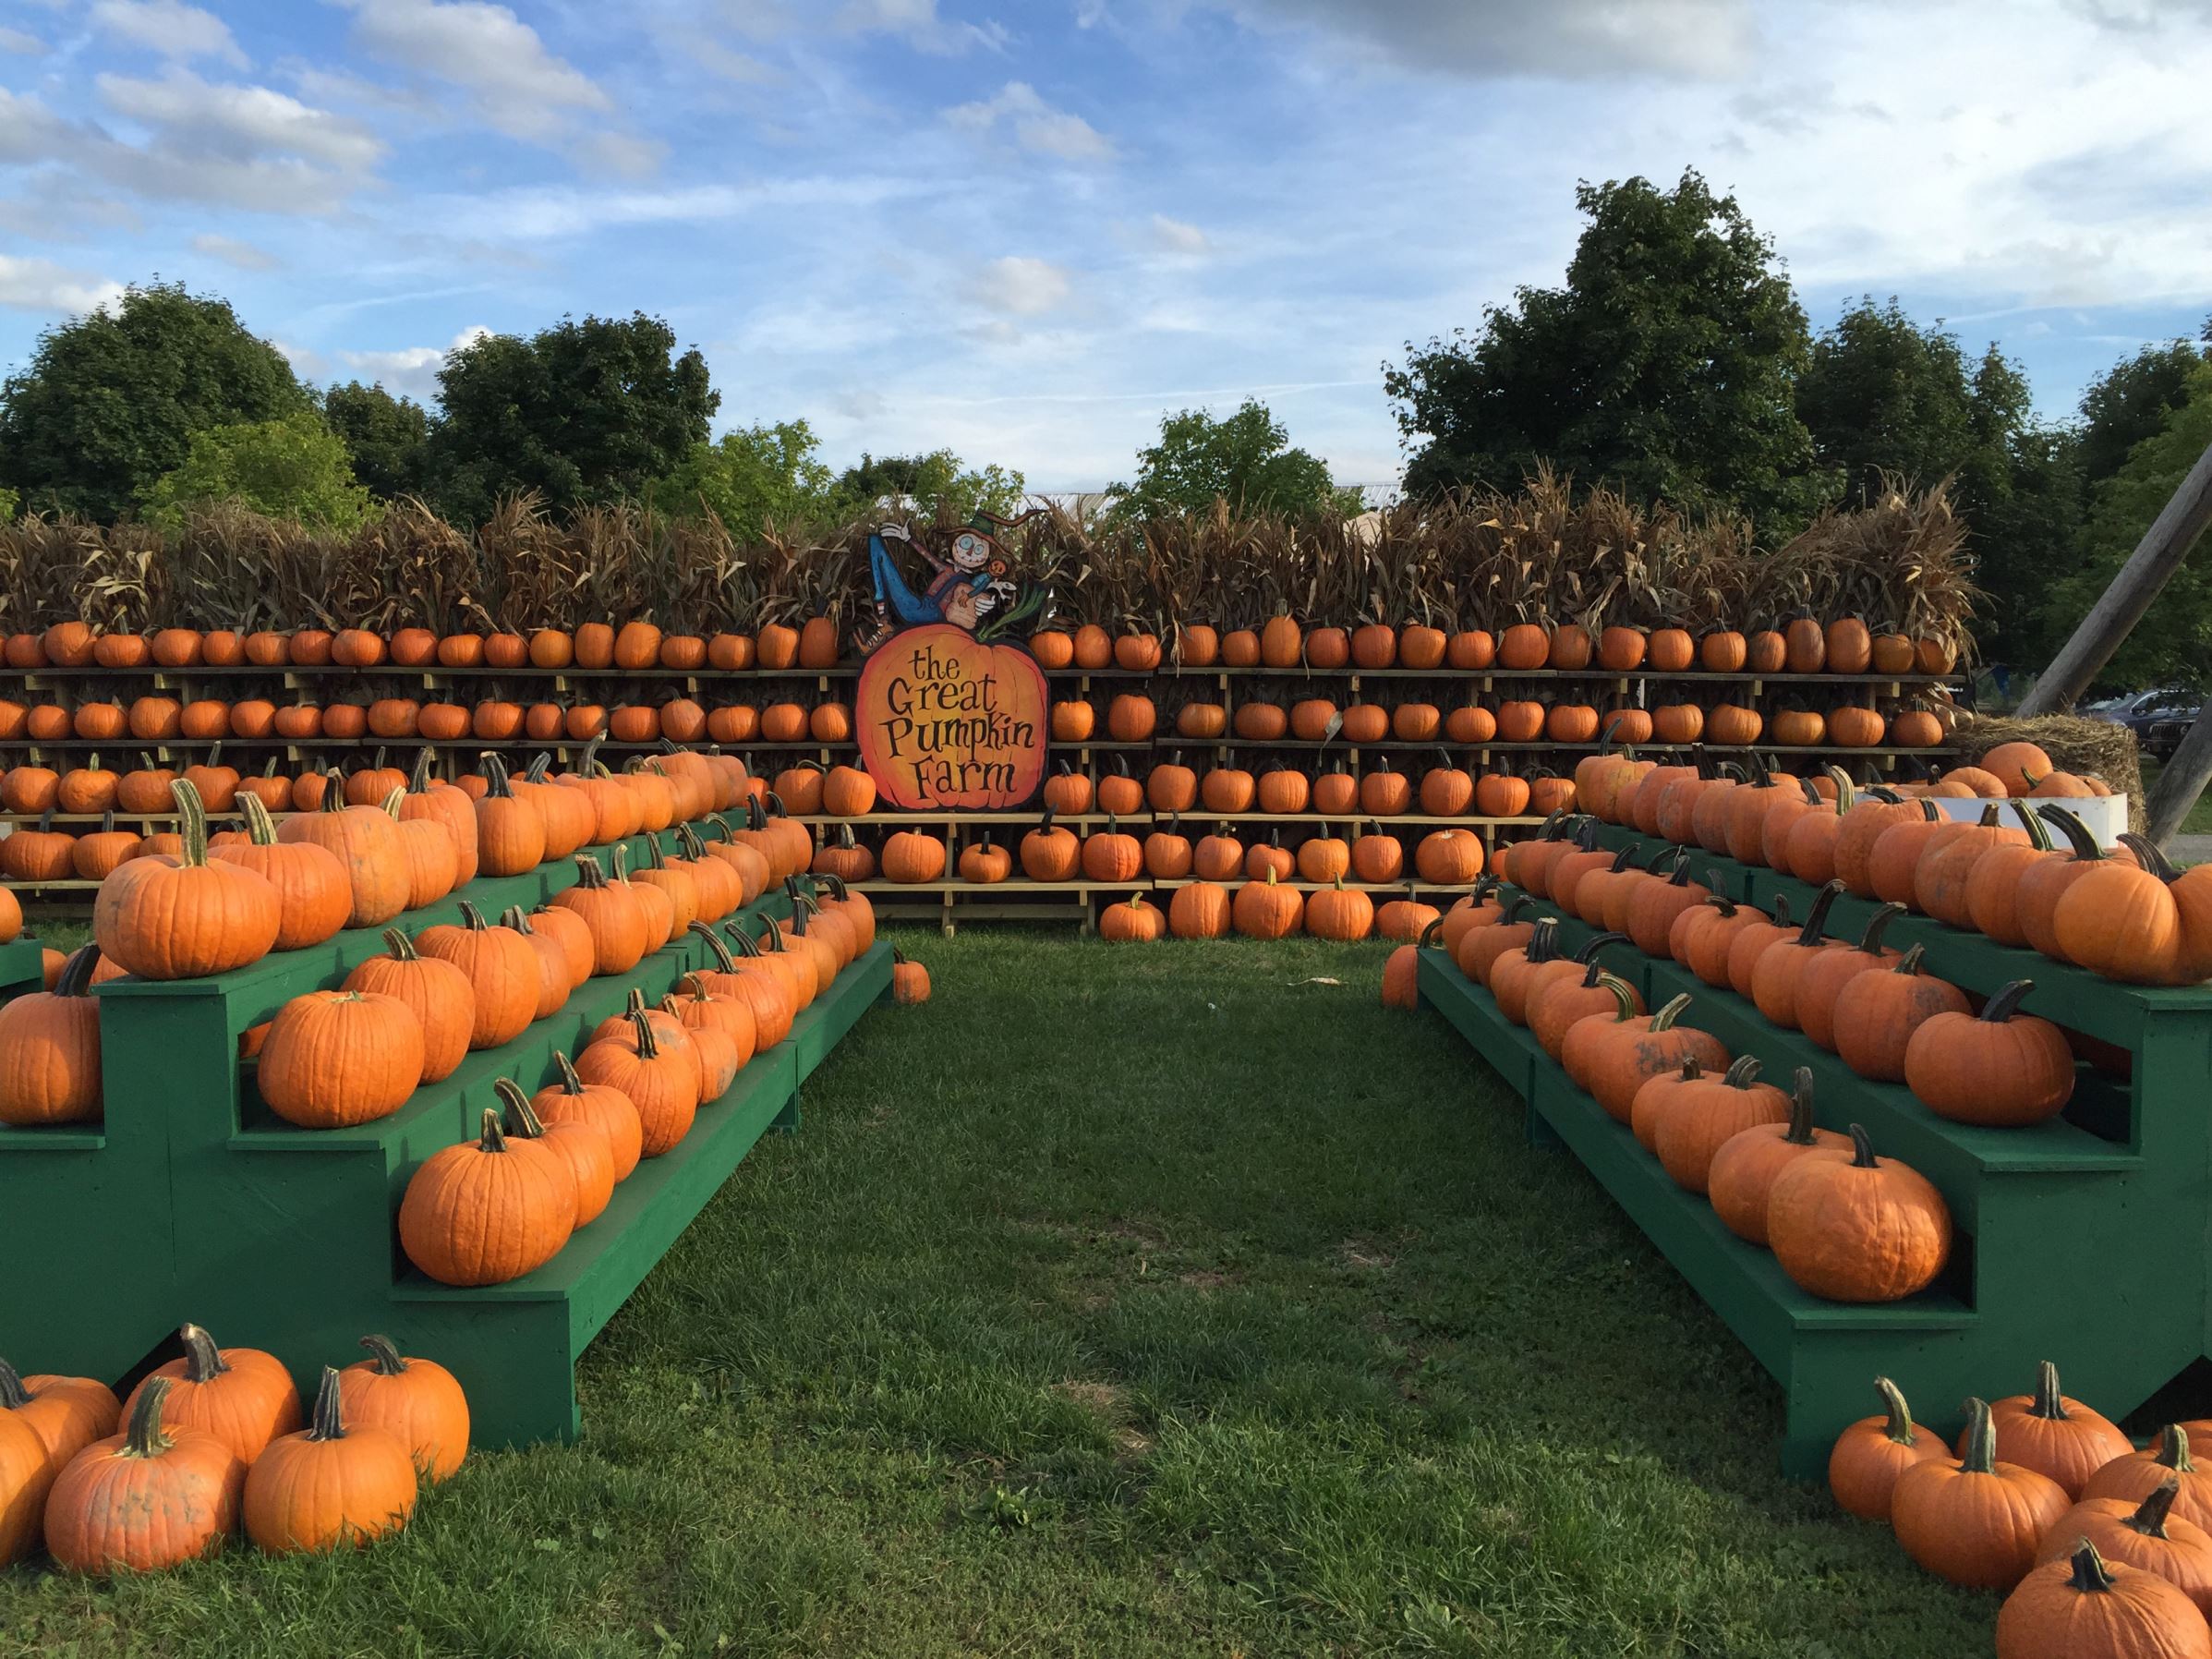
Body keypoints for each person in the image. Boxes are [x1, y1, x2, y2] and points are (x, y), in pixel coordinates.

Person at [859, 522, 1005, 650]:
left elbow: (976, 593)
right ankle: (884, 622)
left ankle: (884, 622)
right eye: (966, 543)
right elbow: (926, 555)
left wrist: (985, 601)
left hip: (931, 614)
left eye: (978, 550)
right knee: (876, 544)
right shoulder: (946, 569)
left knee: (883, 560)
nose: (969, 552)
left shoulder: (967, 582)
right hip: (921, 607)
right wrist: (908, 539)